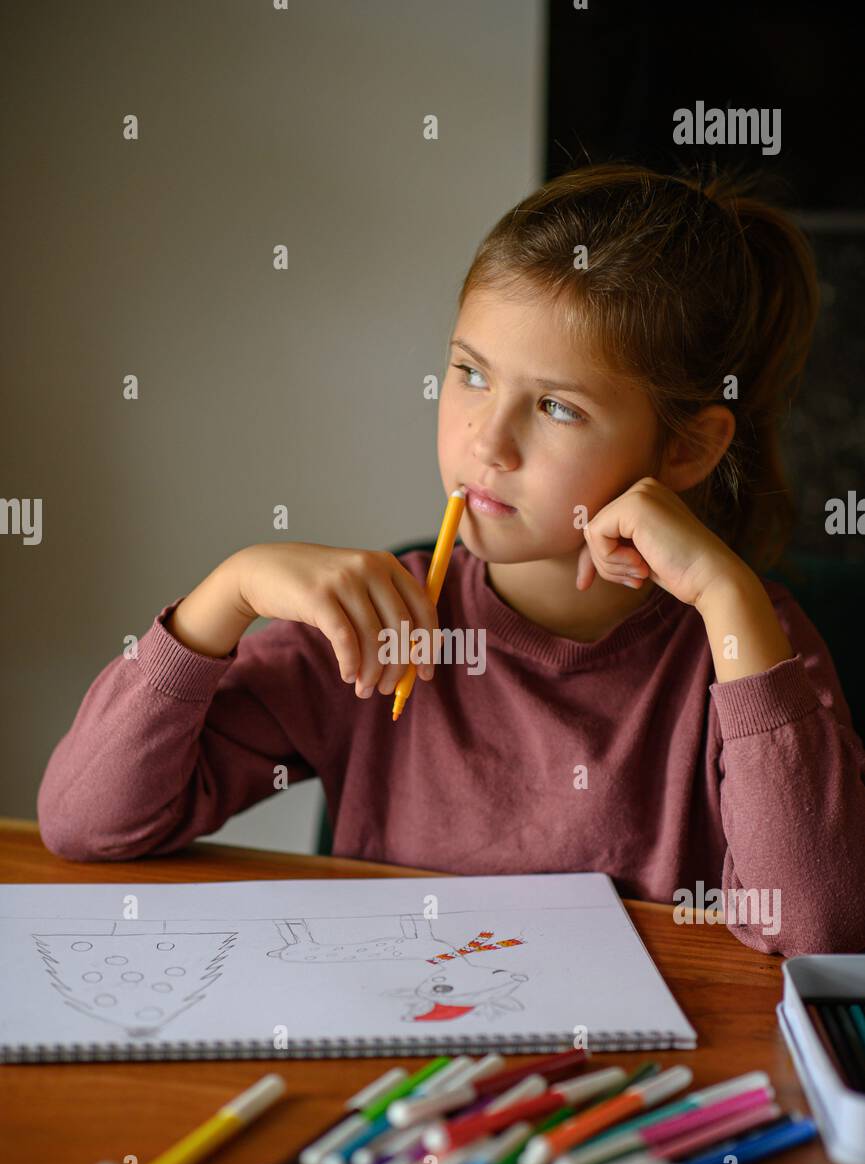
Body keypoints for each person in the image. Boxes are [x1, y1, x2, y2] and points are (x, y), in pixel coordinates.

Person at [37, 162, 865, 958]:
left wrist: (726, 595)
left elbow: (816, 932)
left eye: (555, 407)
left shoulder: (750, 644)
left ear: (686, 449)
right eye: (469, 373)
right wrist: (222, 597)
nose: (486, 440)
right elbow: (85, 824)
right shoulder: (378, 621)